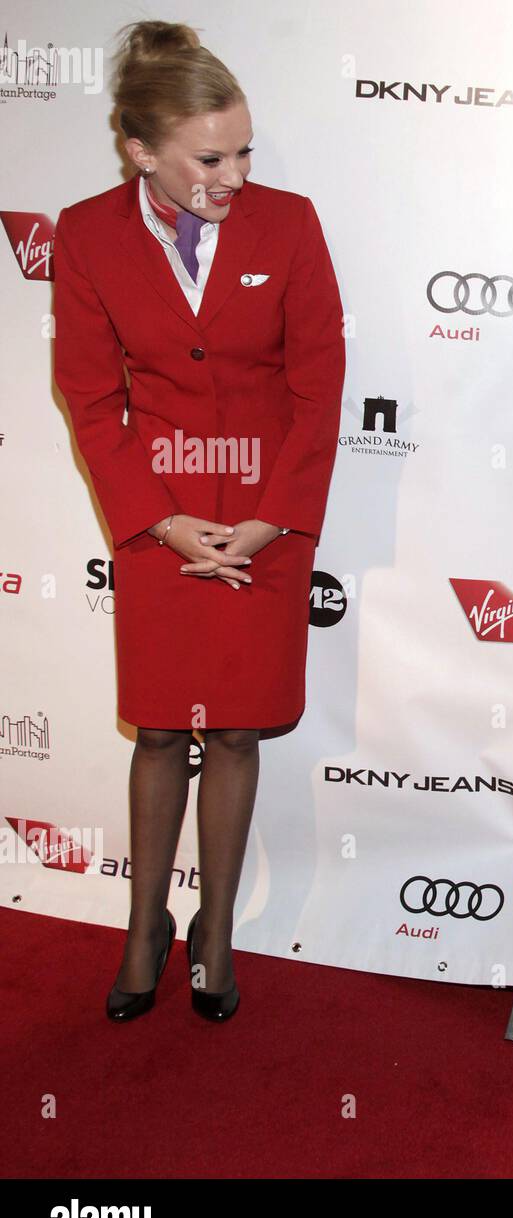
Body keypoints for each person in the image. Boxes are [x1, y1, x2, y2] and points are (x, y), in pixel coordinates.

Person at [52, 20, 345, 1023]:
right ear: (140, 148)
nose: (234, 173)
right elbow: (90, 400)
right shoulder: (85, 235)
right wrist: (160, 521)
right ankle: (146, 924)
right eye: (210, 157)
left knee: (234, 735)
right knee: (160, 730)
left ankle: (215, 930)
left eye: (244, 150)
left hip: (267, 522)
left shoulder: (291, 225)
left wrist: (271, 520)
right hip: (158, 522)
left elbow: (318, 388)